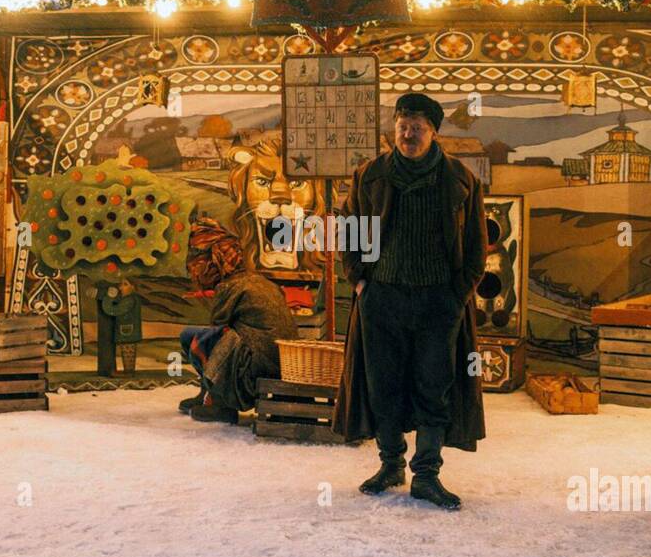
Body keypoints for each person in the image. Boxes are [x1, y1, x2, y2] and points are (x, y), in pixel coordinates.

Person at [332, 92, 488, 510]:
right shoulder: (370, 175)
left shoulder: (459, 179)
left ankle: (426, 475)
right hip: (382, 298)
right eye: (403, 127)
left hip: (439, 302)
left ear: (433, 132)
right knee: (384, 385)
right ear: (393, 131)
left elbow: (476, 243)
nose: (409, 134)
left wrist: (460, 293)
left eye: (417, 128)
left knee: (434, 386)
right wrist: (360, 280)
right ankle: (390, 465)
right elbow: (349, 229)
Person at [179, 217, 298, 424]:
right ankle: (207, 394)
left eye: (199, 260)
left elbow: (216, 329)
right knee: (192, 335)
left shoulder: (231, 287)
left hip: (253, 370)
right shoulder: (258, 281)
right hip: (280, 363)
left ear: (214, 260)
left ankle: (220, 403)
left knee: (209, 339)